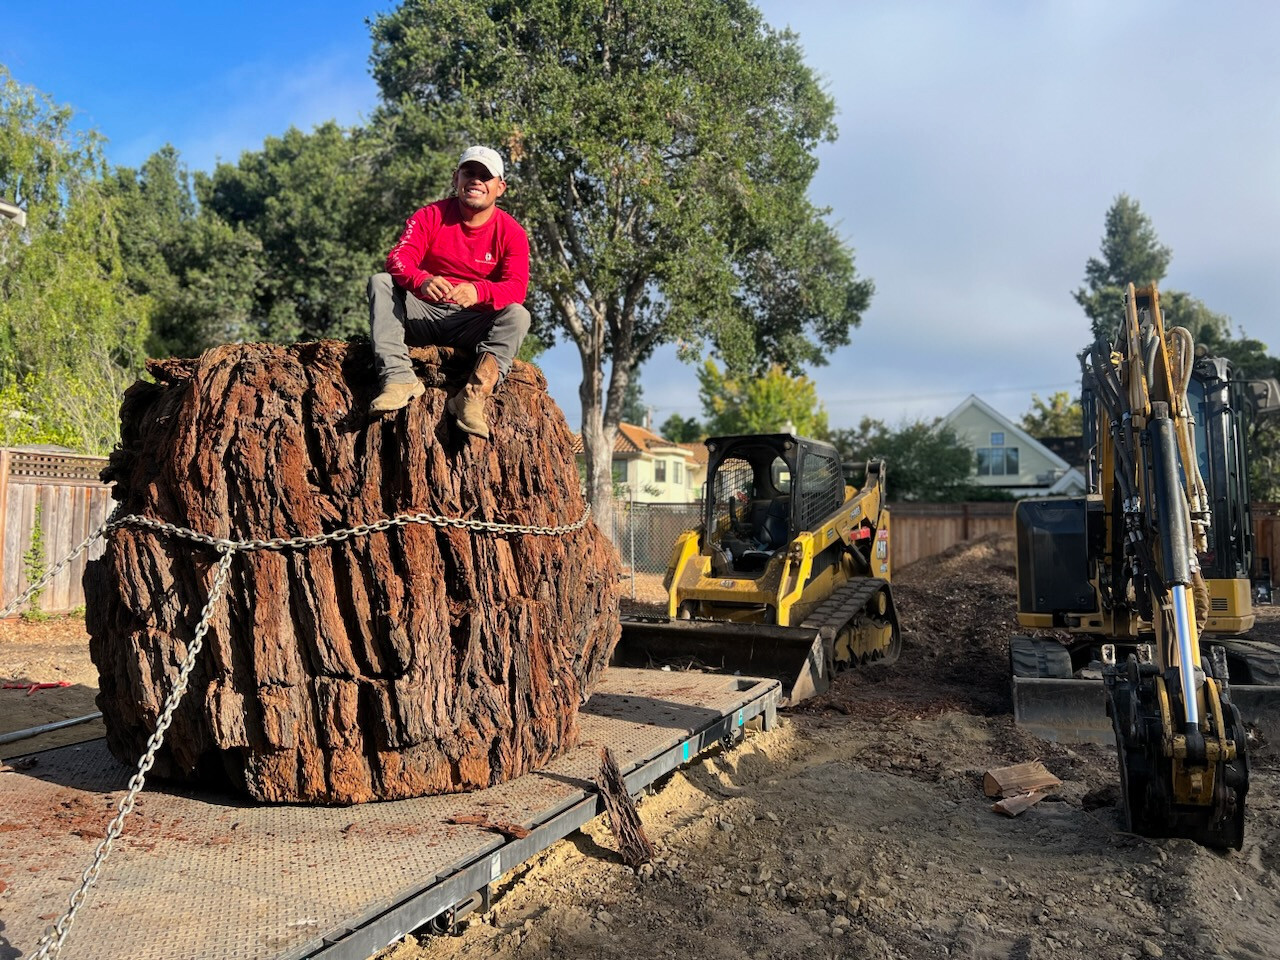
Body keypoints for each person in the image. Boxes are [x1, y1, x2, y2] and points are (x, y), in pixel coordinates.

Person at [367, 145, 531, 439]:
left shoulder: (512, 232)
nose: (476, 180)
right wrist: (421, 280)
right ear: (456, 177)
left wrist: (479, 291)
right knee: (381, 282)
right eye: (470, 172)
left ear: (500, 187)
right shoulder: (430, 215)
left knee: (518, 315)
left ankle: (472, 396)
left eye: (486, 176)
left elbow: (517, 288)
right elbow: (398, 259)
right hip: (423, 315)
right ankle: (398, 378)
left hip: (473, 324)